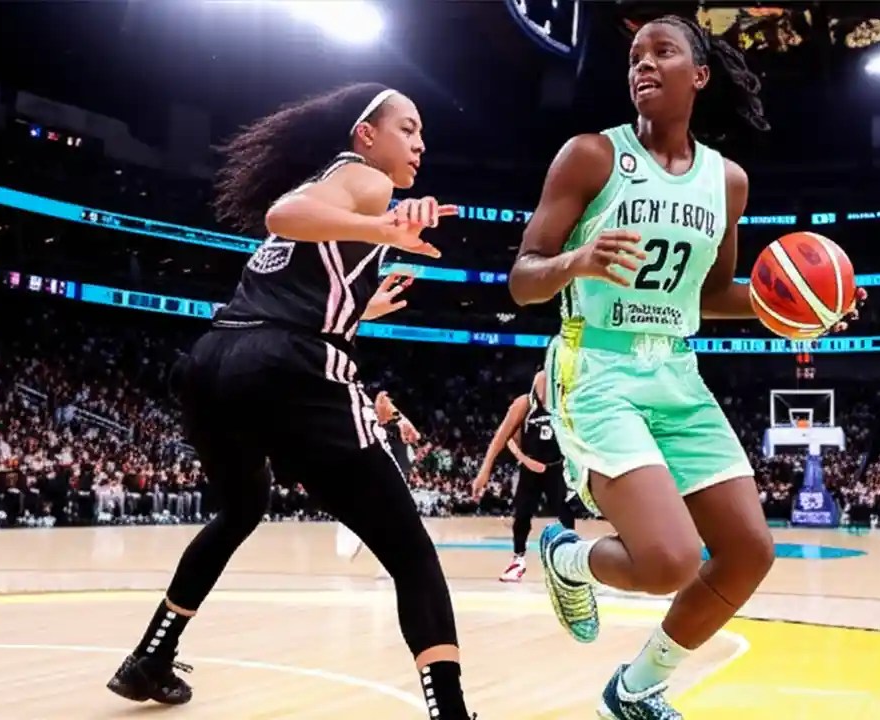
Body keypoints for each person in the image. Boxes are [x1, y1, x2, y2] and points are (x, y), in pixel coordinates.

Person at [508, 15, 865, 718]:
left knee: (747, 552)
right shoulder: (589, 157)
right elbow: (522, 278)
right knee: (668, 561)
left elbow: (711, 293)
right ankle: (566, 555)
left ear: (698, 76)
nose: (643, 65)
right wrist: (574, 261)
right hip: (599, 370)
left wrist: (801, 310)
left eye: (662, 53)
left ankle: (637, 688)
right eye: (636, 56)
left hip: (677, 371)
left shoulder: (726, 182)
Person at [106, 82, 475, 720]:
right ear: (366, 135)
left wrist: (367, 301)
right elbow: (285, 214)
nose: (420, 143)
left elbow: (298, 289)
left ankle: (150, 658)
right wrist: (382, 223)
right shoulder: (363, 180)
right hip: (284, 366)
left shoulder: (343, 195)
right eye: (407, 128)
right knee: (412, 553)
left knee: (241, 510)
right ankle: (451, 713)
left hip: (214, 360)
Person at [471, 369, 575, 583]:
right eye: (542, 384)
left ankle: (570, 560)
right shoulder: (524, 405)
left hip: (557, 467)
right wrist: (485, 470)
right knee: (522, 514)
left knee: (565, 512)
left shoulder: (566, 404)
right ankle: (518, 560)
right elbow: (502, 437)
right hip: (530, 467)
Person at [335, 390, 421, 561]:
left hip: (381, 456)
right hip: (357, 461)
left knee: (398, 513)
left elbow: (385, 402)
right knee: (345, 551)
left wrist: (402, 421)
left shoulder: (361, 394)